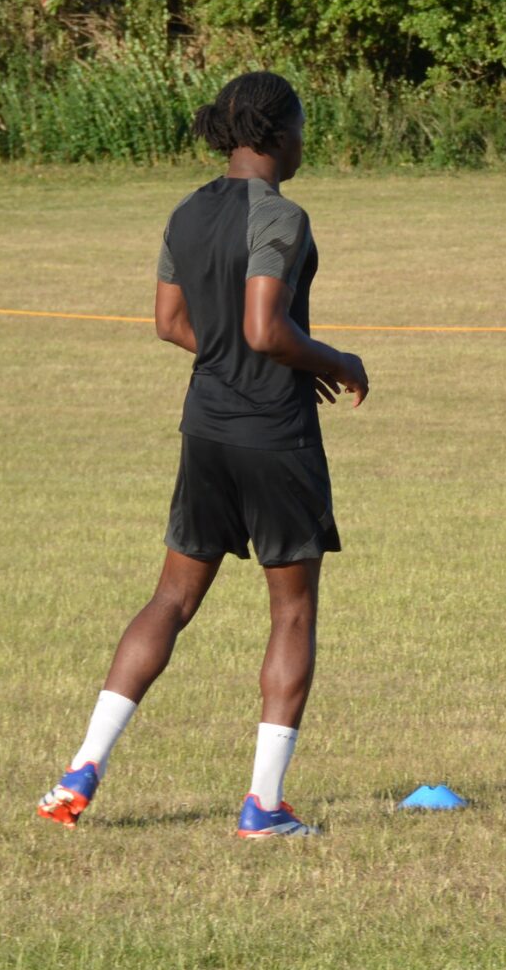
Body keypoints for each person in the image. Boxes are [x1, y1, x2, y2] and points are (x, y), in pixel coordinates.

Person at [34, 72, 369, 838]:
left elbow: (170, 321)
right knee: (291, 609)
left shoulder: (187, 210)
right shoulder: (280, 216)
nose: (306, 139)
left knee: (170, 599)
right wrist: (333, 360)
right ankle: (264, 806)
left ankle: (83, 765)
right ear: (277, 132)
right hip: (272, 434)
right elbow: (262, 328)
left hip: (206, 426)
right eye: (303, 125)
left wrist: (266, 357)